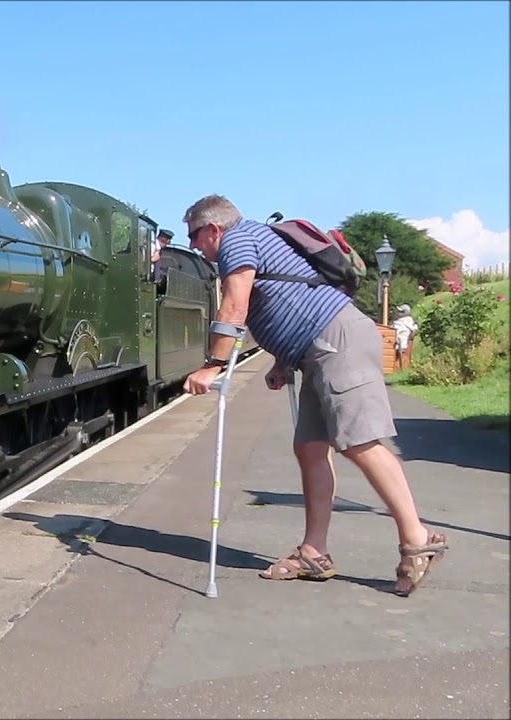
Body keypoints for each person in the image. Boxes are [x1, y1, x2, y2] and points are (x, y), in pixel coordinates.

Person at [179, 194, 447, 597]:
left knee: (359, 441)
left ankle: (417, 538)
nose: (195, 246)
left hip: (336, 343)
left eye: (195, 237)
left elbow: (236, 305)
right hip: (317, 350)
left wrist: (212, 365)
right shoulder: (254, 237)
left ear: (213, 228)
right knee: (309, 447)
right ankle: (314, 552)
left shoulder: (236, 242)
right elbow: (287, 298)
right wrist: (283, 360)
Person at [392, 304, 419, 370]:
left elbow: (392, 333)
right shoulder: (411, 322)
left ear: (404, 313)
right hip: (406, 345)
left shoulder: (398, 323)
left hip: (397, 346)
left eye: (400, 311)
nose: (397, 313)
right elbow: (415, 329)